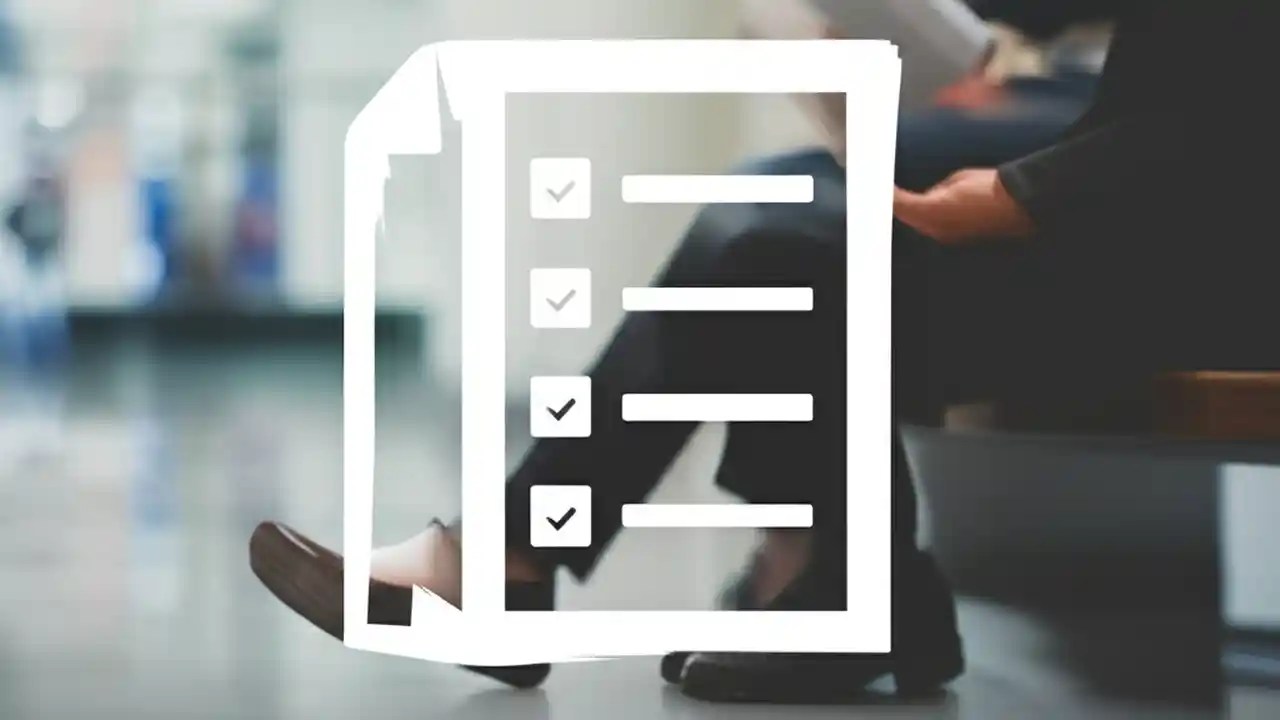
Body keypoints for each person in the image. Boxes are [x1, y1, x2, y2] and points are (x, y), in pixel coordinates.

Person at [250, 0, 1277, 704]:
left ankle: (800, 573)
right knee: (778, 210)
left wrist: (1028, 192)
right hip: (1149, 157)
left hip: (1213, 225)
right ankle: (825, 577)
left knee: (781, 228)